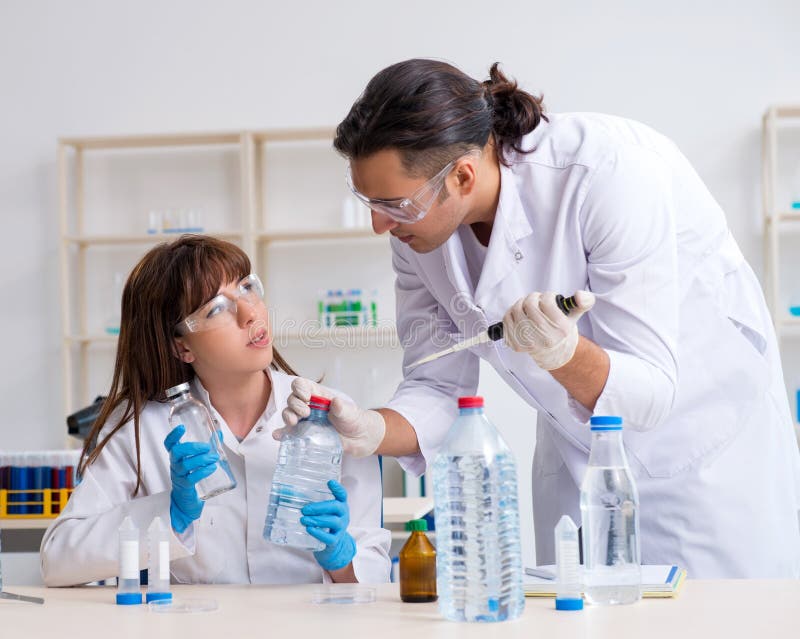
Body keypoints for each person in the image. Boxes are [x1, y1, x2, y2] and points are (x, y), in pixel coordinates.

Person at [279, 59, 800, 578]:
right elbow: (436, 384)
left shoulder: (608, 173)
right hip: (576, 452)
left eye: (393, 204)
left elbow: (649, 392)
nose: (378, 224)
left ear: (462, 175)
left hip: (702, 450)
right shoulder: (417, 232)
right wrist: (370, 429)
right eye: (368, 200)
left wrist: (563, 354)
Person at [41, 235, 390, 586]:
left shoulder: (333, 416)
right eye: (217, 308)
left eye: (247, 288)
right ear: (181, 347)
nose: (250, 312)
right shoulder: (139, 427)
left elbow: (373, 581)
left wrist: (342, 557)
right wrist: (170, 513)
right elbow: (58, 559)